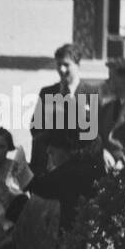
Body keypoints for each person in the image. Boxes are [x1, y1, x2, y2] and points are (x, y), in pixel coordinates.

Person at [30, 43, 98, 175]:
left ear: (77, 65)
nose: (61, 69)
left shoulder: (91, 93)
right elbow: (36, 128)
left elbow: (93, 133)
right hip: (50, 165)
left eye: (66, 65)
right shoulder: (48, 92)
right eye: (58, 64)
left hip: (79, 166)